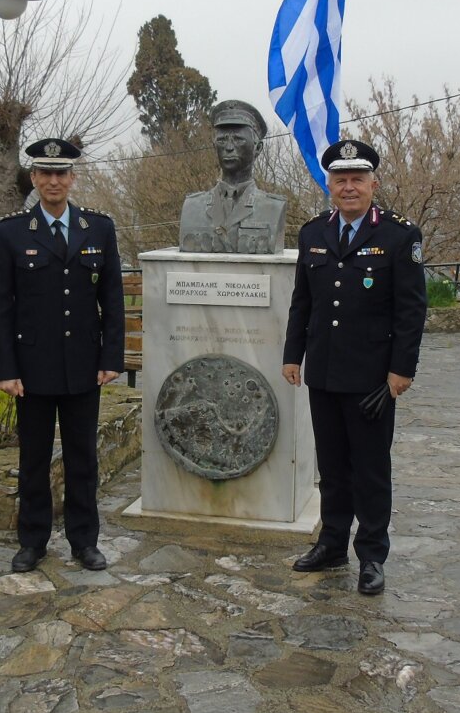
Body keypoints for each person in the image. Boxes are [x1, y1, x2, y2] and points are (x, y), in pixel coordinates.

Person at [282, 139, 427, 595]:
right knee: (333, 466)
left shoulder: (399, 236)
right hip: (324, 371)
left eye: (357, 180)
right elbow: (302, 301)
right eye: (340, 180)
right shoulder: (313, 233)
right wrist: (293, 354)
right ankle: (331, 543)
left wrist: (401, 370)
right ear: (329, 185)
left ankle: (371, 555)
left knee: (370, 468)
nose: (349, 188)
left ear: (373, 184)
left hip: (372, 377)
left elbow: (411, 309)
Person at [0, 137, 124, 573]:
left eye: (61, 173)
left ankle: (85, 541)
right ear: (33, 178)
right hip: (32, 369)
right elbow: (0, 306)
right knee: (33, 458)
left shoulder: (98, 228)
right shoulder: (11, 232)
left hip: (84, 366)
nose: (53, 180)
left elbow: (113, 299)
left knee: (84, 457)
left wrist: (111, 357)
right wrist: (5, 368)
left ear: (72, 178)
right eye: (45, 173)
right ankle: (33, 540)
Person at [178, 99, 288, 254]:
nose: (229, 147)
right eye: (222, 140)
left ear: (257, 148)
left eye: (238, 139)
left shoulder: (273, 207)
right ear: (214, 146)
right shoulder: (192, 206)